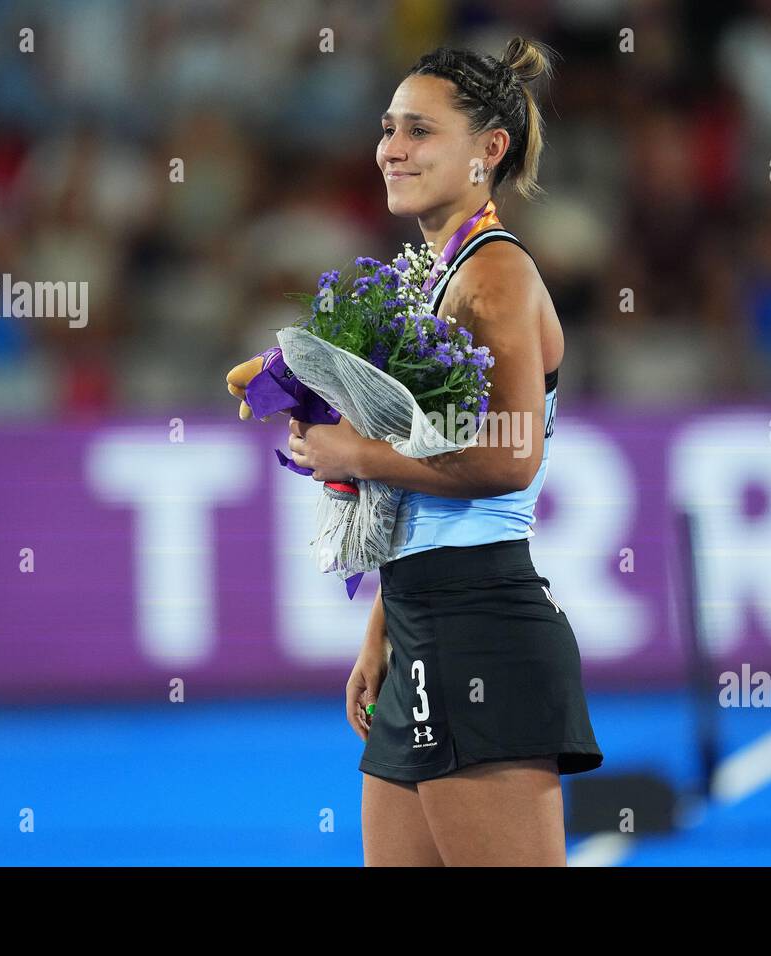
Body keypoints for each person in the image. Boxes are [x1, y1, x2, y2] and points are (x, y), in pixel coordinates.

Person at [227, 38, 602, 866]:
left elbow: (510, 459)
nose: (391, 149)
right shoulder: (437, 275)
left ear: (488, 150)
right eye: (388, 128)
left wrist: (357, 454)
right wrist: (383, 629)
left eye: (420, 131)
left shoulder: (494, 277)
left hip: (483, 634)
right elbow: (430, 495)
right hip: (421, 624)